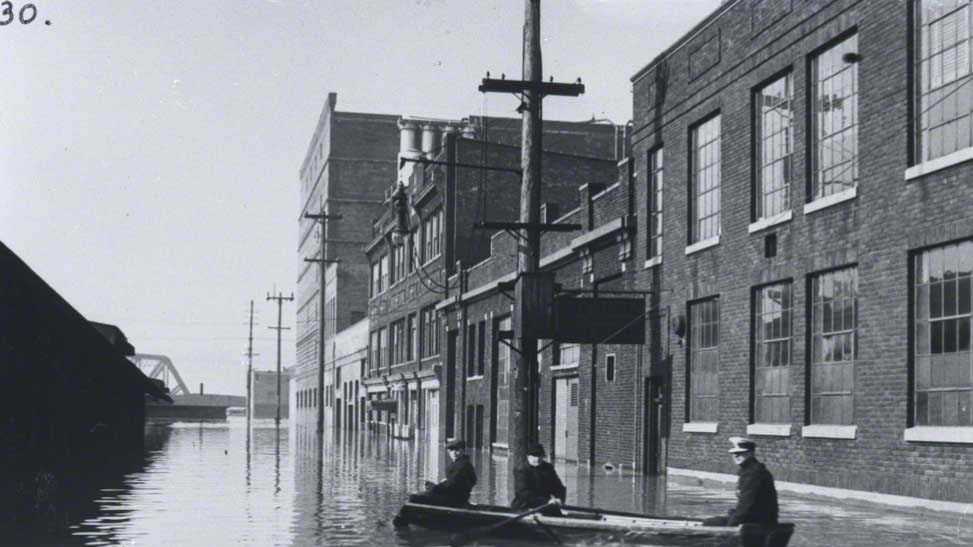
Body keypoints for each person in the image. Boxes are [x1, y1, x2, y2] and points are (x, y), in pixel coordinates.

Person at [702, 437, 779, 527]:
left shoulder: (752, 474)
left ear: (750, 453)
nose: (736, 456)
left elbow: (746, 504)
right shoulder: (754, 470)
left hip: (756, 523)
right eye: (734, 453)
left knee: (708, 523)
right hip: (761, 520)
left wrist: (730, 527)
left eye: (740, 453)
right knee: (716, 520)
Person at [408, 439, 477, 507]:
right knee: (422, 494)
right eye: (451, 450)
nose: (454, 453)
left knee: (414, 497)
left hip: (454, 500)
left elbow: (451, 484)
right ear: (448, 452)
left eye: (457, 450)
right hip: (457, 498)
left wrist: (435, 487)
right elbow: (455, 483)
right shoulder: (461, 463)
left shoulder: (462, 465)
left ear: (463, 450)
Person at [511, 443, 566, 516]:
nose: (537, 459)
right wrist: (546, 501)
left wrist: (559, 499)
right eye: (534, 456)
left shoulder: (548, 468)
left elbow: (559, 487)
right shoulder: (521, 470)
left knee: (558, 514)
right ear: (528, 457)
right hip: (524, 506)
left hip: (546, 506)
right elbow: (524, 493)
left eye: (540, 456)